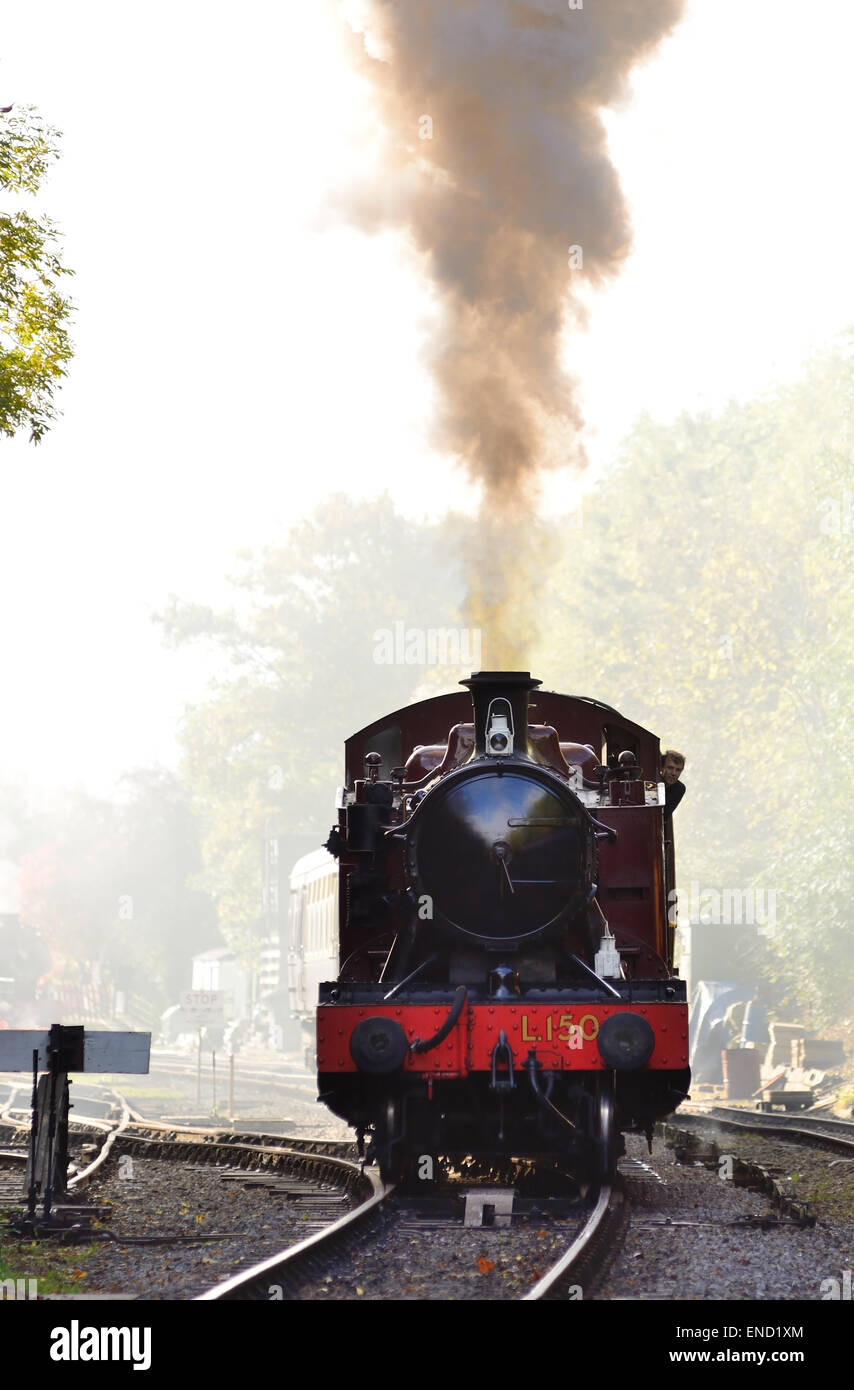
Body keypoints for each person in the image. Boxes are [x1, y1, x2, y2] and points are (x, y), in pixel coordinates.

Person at [661, 749, 686, 814]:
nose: (674, 773)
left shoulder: (679, 788)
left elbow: (665, 813)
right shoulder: (651, 783)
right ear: (661, 767)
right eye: (670, 768)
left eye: (678, 770)